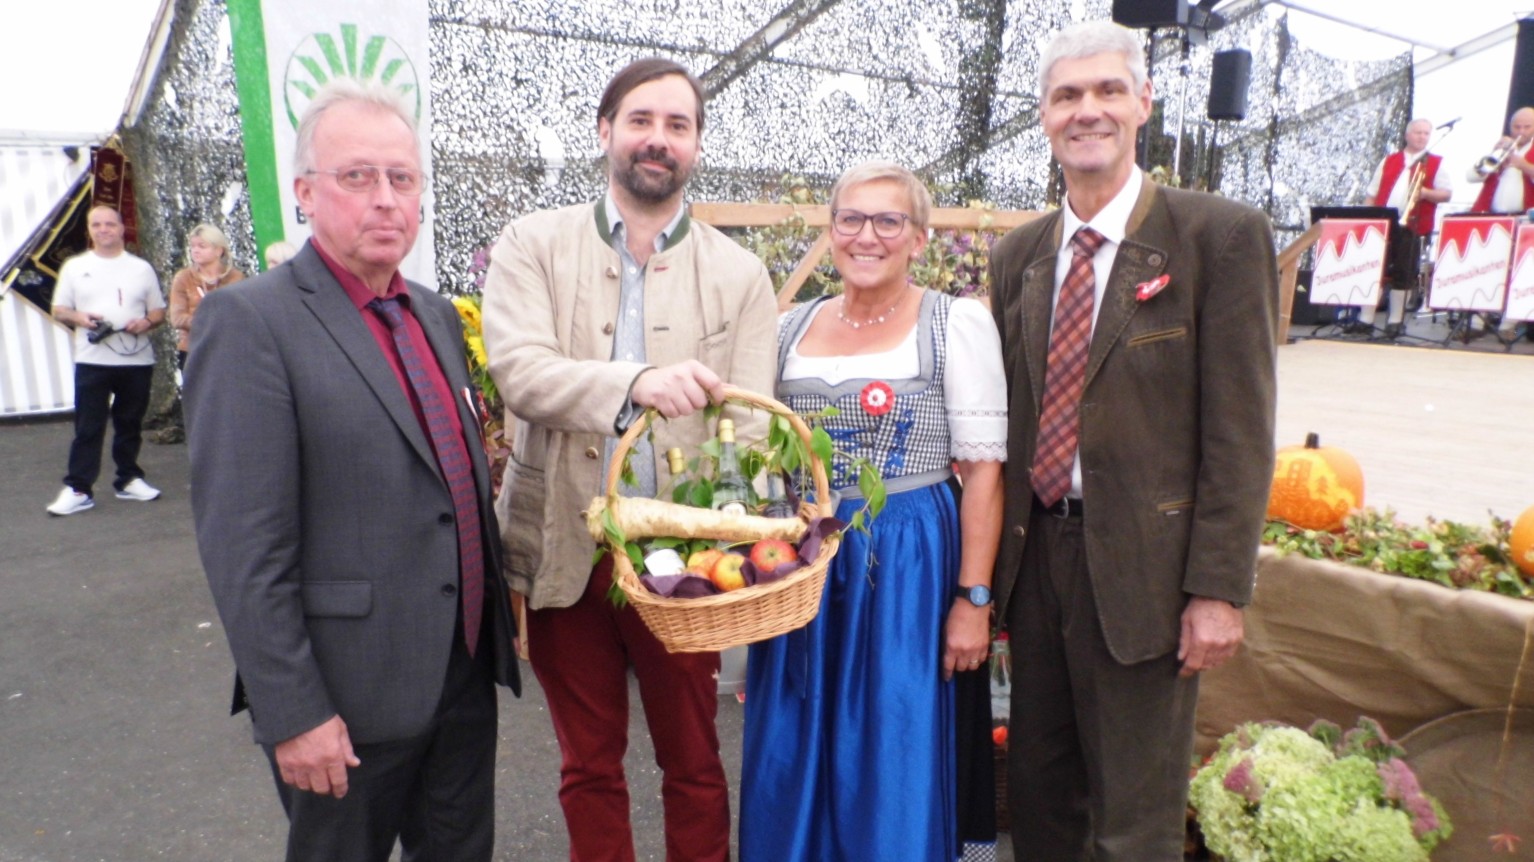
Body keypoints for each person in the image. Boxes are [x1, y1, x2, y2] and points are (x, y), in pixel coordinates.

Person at [183, 78, 520, 862]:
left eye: (402, 178)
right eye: (356, 176)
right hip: (345, 702)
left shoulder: (433, 313)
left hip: (459, 677)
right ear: (304, 193)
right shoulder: (251, 322)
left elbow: (448, 486)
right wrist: (294, 711)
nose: (385, 199)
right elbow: (243, 547)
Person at [987, 21, 1277, 860]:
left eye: (1108, 91)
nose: (1089, 110)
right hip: (1036, 563)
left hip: (1146, 578)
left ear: (1143, 103)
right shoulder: (1019, 257)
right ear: (1043, 114)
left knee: (1134, 819)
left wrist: (1219, 589)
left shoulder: (1215, 237)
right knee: (1041, 804)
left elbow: (1241, 432)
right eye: (1067, 95)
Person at [480, 57, 776, 862]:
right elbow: (522, 372)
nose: (658, 140)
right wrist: (638, 382)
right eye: (641, 120)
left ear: (697, 146)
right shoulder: (533, 245)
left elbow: (749, 428)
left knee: (694, 761)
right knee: (588, 765)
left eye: (678, 125)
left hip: (684, 567)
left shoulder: (740, 273)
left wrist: (734, 534)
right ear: (606, 131)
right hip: (564, 546)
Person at [741, 161, 1006, 861]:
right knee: (796, 733)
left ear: (919, 238)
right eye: (851, 219)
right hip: (804, 558)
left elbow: (982, 474)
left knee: (893, 733)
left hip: (908, 558)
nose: (867, 235)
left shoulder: (956, 322)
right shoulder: (787, 326)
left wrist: (972, 600)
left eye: (888, 221)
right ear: (830, 233)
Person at [45, 204, 166, 516]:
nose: (103, 230)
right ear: (90, 230)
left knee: (130, 423)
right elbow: (59, 309)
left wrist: (146, 323)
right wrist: (80, 317)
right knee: (89, 426)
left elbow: (158, 311)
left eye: (109, 224)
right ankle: (79, 488)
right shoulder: (74, 266)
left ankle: (129, 479)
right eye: (96, 225)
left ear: (121, 228)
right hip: (92, 360)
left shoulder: (141, 268)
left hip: (136, 360)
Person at [1357, 118, 1452, 337]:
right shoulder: (1389, 160)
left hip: (1413, 226)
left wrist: (1425, 194)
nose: (1422, 137)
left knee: (1404, 271)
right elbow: (1372, 194)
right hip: (1384, 222)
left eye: (1426, 133)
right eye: (1418, 132)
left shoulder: (1435, 162)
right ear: (1407, 135)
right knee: (1373, 269)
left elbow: (1446, 193)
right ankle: (1365, 319)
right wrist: (1366, 219)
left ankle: (1395, 320)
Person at [168, 223, 244, 368]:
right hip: (193, 349)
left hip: (229, 348)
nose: (195, 251)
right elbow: (177, 318)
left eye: (202, 246)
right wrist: (207, 322)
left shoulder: (235, 277)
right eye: (193, 246)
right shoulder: (183, 277)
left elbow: (240, 313)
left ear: (218, 251)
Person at [1467, 107, 1534, 214]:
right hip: (1491, 215)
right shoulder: (1503, 147)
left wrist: (1523, 165)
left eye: (1527, 127)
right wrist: (1494, 153)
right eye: (1517, 127)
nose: (1521, 131)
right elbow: (1471, 178)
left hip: (1524, 218)